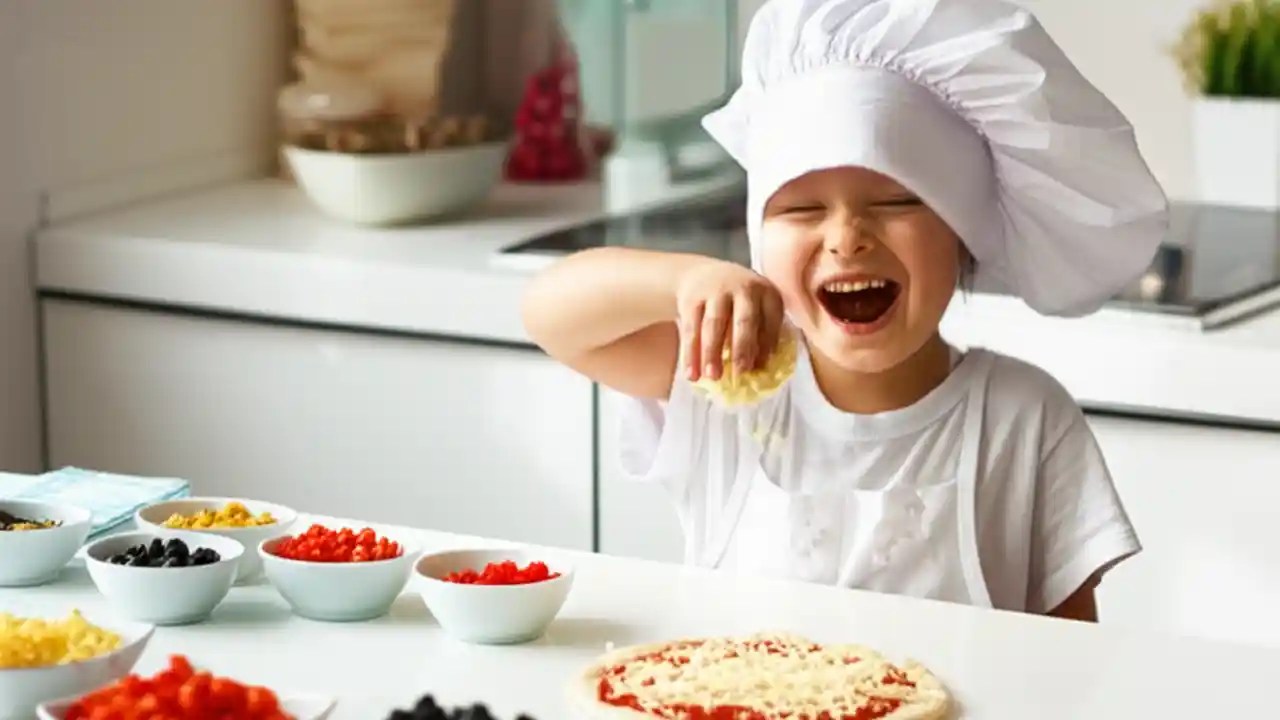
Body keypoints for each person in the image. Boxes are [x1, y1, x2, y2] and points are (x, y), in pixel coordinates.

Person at [521, 0, 1168, 621]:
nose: (847, 236)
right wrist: (685, 281)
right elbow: (549, 314)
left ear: (963, 230)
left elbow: (1073, 664)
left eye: (895, 202)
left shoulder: (1024, 421)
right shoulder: (725, 384)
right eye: (802, 209)